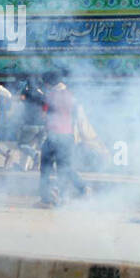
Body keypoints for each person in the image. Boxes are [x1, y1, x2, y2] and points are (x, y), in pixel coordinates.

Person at [37, 70, 88, 207]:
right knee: (64, 168)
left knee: (45, 167)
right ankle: (70, 195)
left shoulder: (51, 95)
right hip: (68, 135)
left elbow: (44, 116)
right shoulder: (71, 95)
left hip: (54, 135)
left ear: (48, 83)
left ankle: (46, 199)